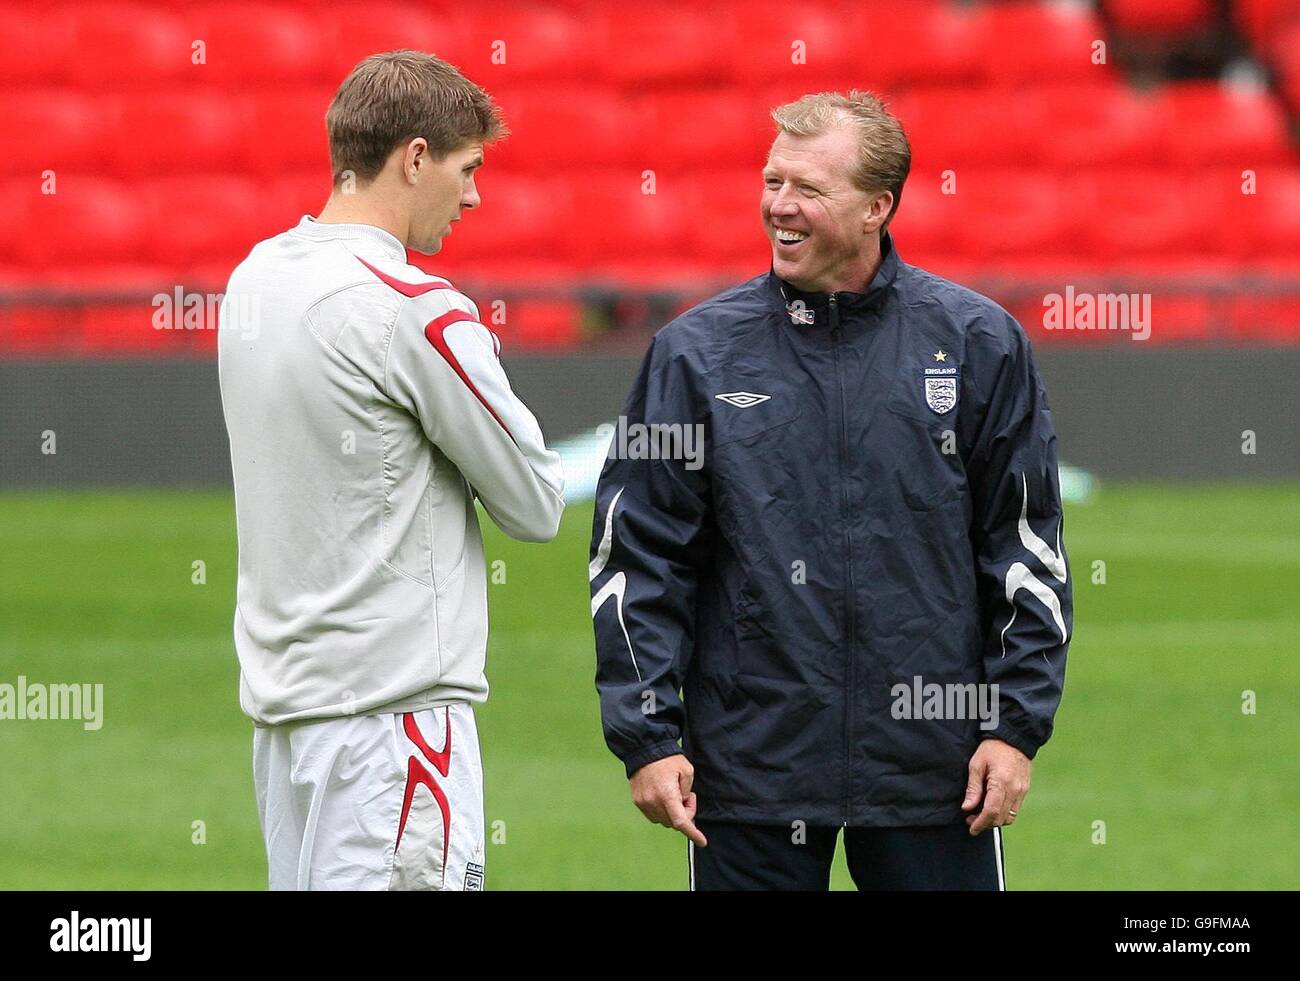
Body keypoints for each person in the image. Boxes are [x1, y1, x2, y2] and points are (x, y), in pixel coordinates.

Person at [589, 90, 1071, 890]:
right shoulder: (694, 355)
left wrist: (1014, 727)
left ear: (878, 205)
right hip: (752, 766)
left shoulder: (979, 342)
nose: (781, 205)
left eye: (809, 189)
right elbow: (637, 554)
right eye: (774, 180)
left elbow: (1026, 546)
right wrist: (648, 733)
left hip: (937, 766)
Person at [218, 51, 564, 891]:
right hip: (394, 727)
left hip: (287, 718)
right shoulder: (414, 308)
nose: (474, 195)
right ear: (415, 158)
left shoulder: (251, 278)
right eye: (467, 166)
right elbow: (536, 500)